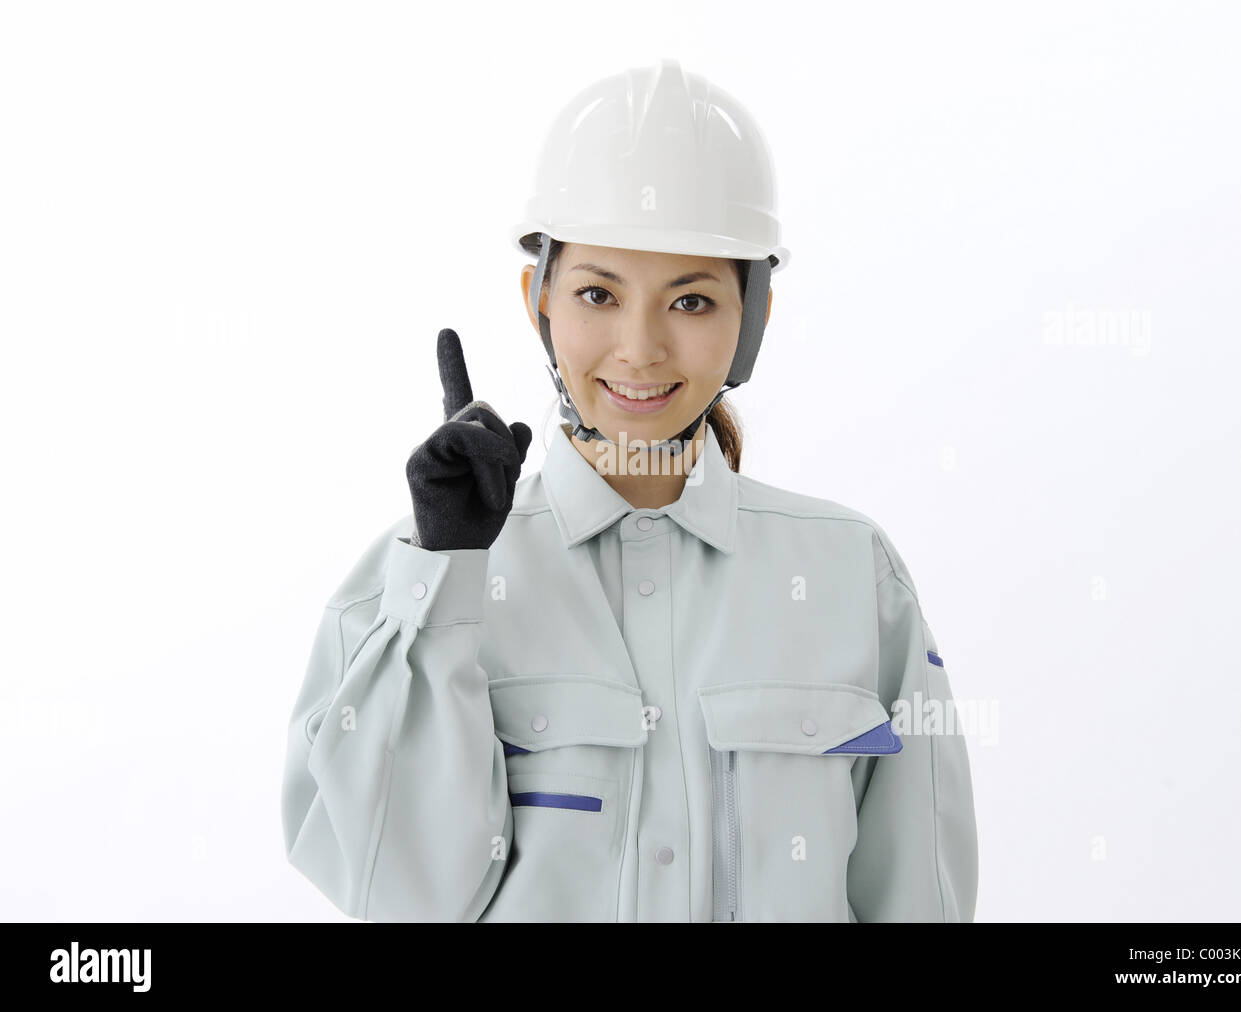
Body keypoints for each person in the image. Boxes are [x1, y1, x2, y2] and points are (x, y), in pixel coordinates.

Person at [280, 58, 978, 922]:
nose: (640, 348)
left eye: (690, 302)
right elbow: (402, 896)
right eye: (598, 293)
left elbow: (920, 902)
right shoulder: (413, 583)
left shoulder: (852, 578)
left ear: (753, 316)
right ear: (538, 300)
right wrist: (447, 579)